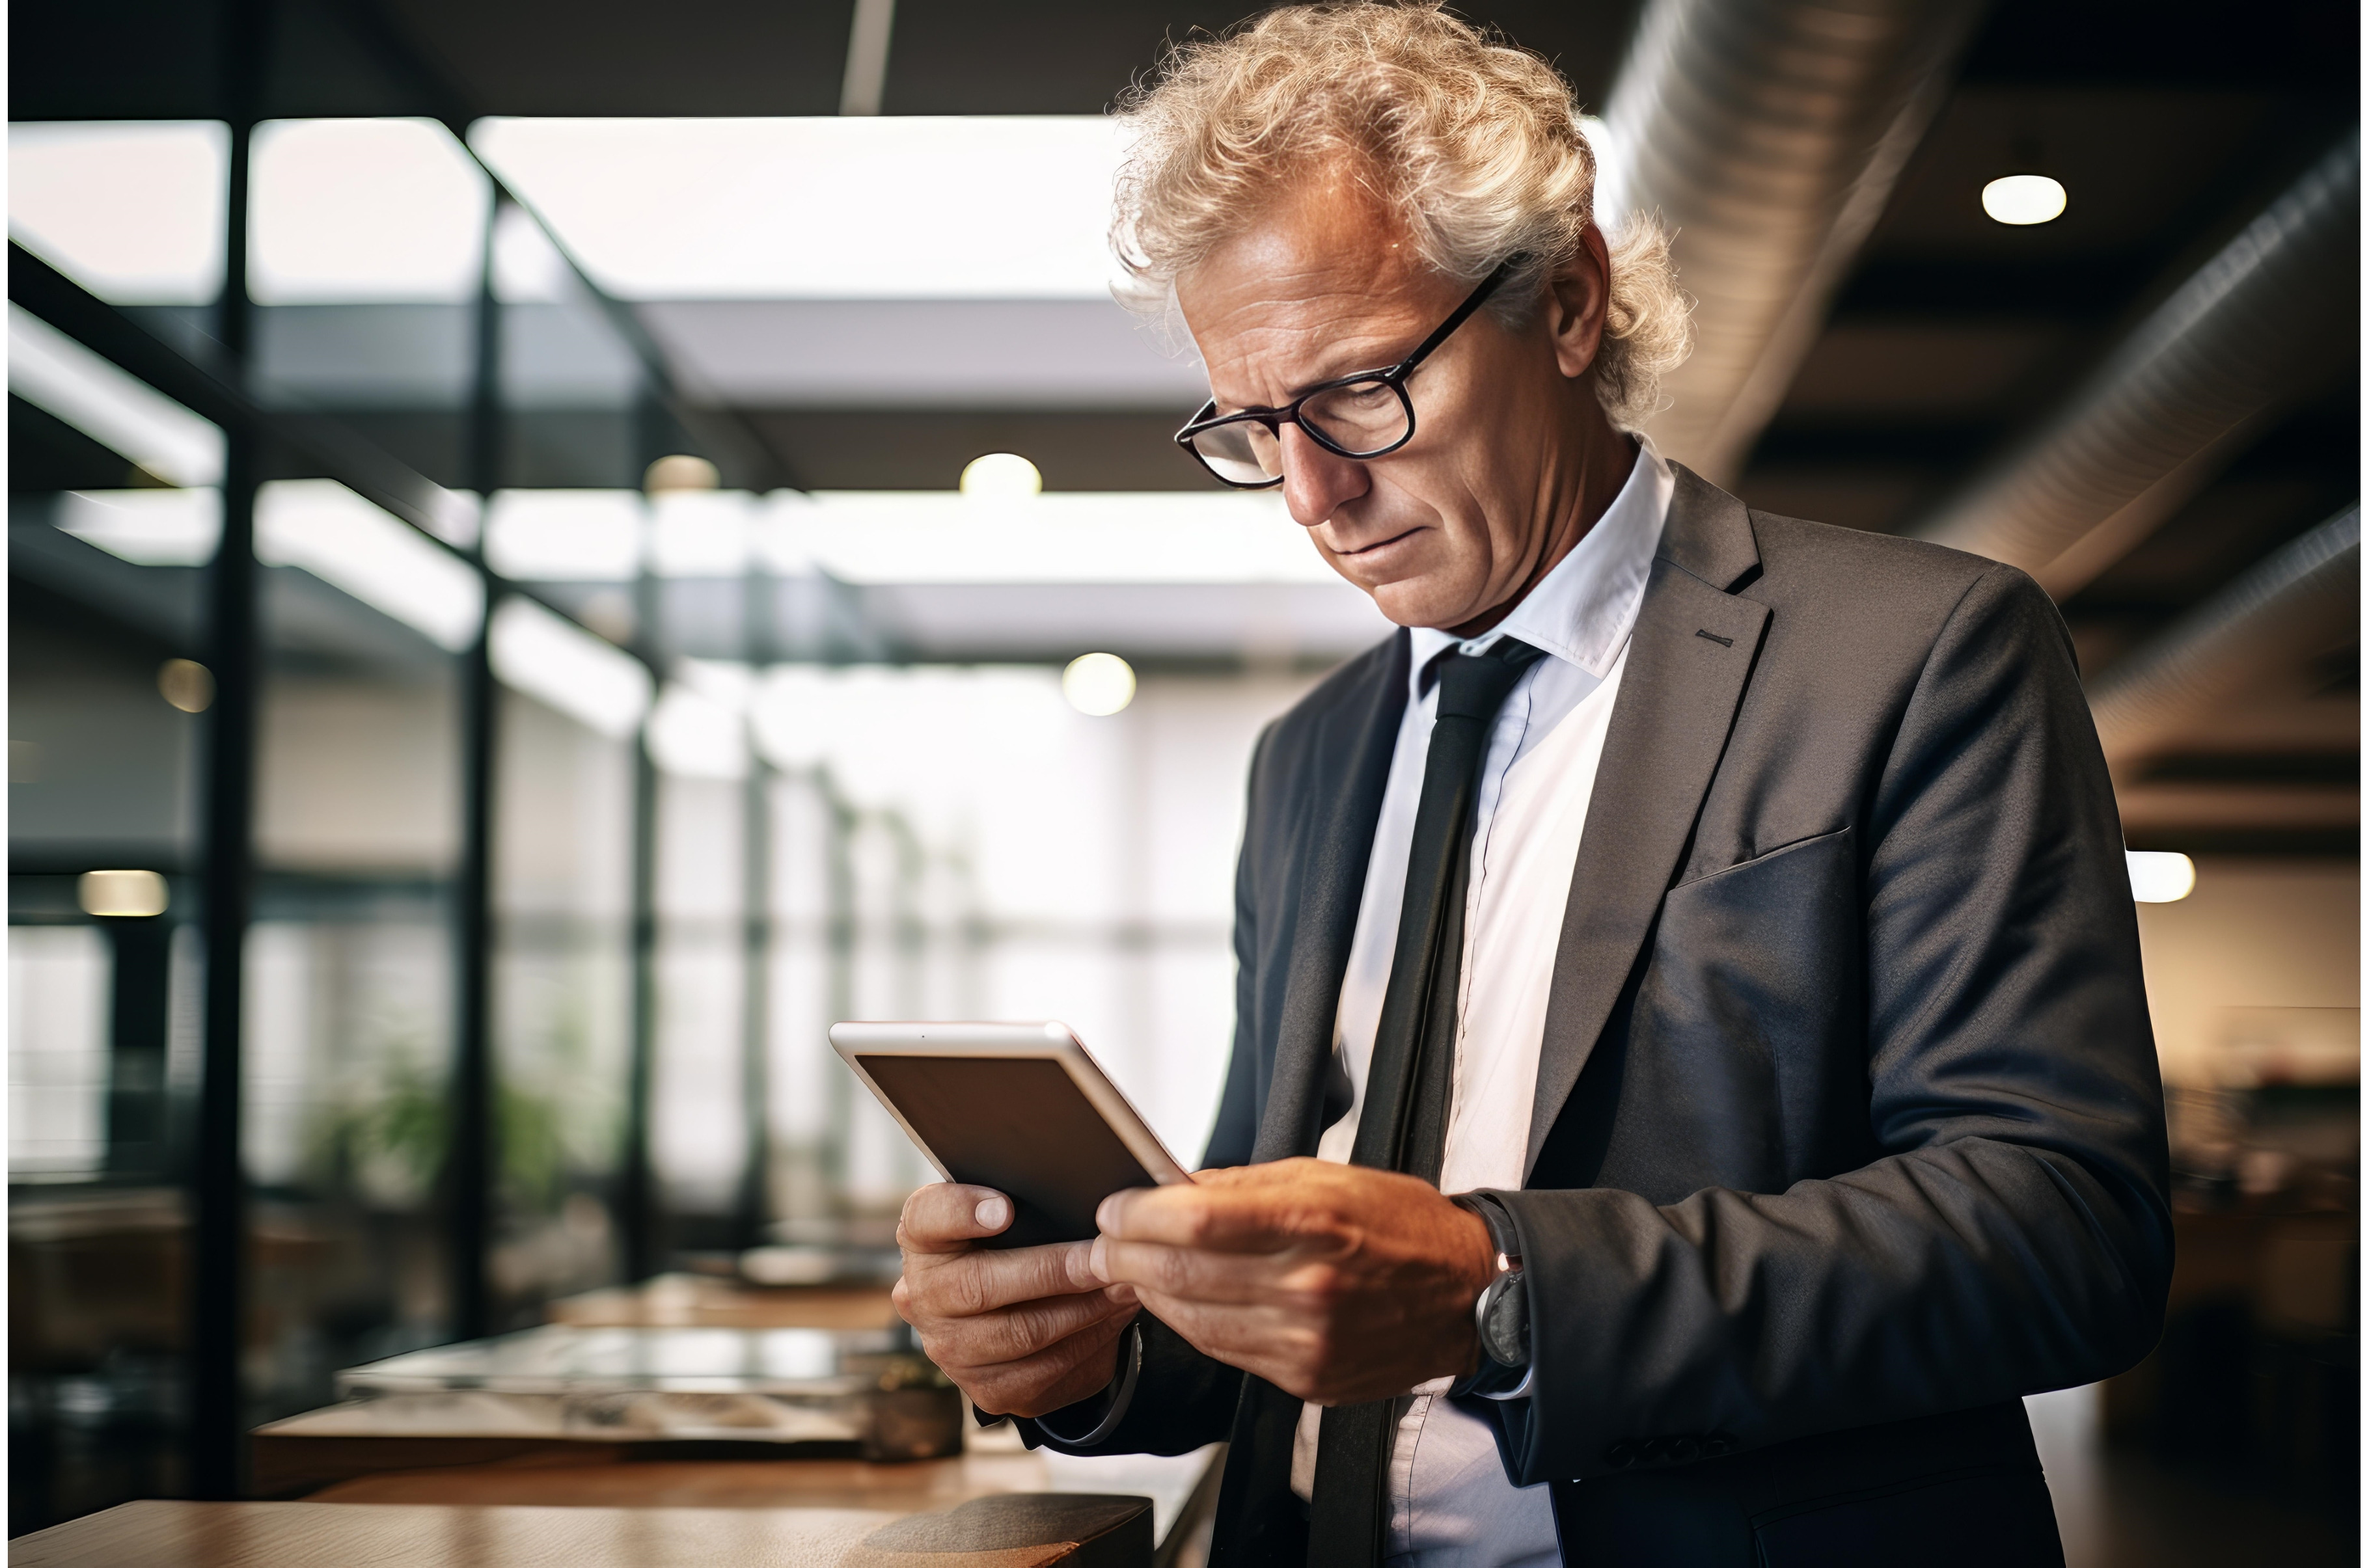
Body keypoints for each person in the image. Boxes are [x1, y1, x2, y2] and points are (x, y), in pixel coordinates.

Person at [892, 6, 2171, 1565]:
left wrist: (1492, 1288)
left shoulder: (1918, 652)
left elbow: (2058, 1234)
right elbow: (1279, 1307)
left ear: (1564, 302)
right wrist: (1093, 1349)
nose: (1311, 495)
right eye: (1253, 426)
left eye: (1360, 390)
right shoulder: (1307, 756)